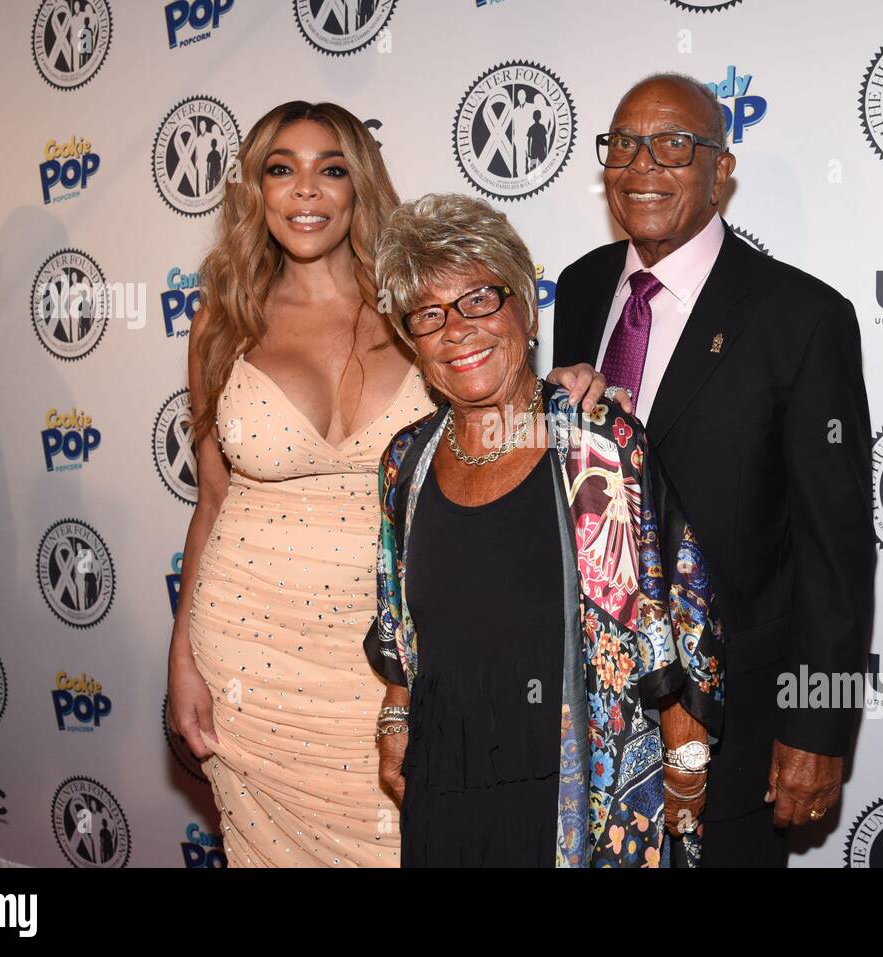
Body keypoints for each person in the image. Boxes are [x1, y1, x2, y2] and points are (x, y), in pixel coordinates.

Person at [164, 101, 610, 867]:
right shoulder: (223, 320)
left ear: (358, 186)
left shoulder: (412, 307)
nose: (306, 191)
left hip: (388, 664)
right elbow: (209, 501)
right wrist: (181, 659)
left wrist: (561, 393)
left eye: (330, 169)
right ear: (256, 191)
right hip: (248, 658)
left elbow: (493, 401)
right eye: (283, 169)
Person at [553, 73, 875, 867]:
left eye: (674, 145)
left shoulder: (802, 318)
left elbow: (835, 553)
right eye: (623, 144)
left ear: (721, 171)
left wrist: (816, 727)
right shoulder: (584, 285)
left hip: (733, 720)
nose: (642, 165)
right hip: (587, 707)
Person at [365, 192, 724, 867]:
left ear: (526, 309)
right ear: (412, 341)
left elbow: (670, 604)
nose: (458, 330)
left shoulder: (598, 441)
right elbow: (399, 622)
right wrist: (393, 717)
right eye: (429, 314)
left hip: (576, 780)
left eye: (479, 299)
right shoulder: (403, 464)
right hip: (443, 775)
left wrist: (686, 753)